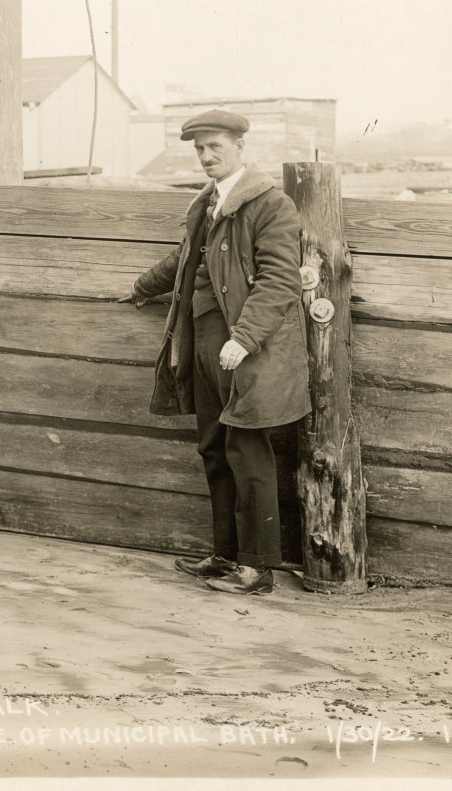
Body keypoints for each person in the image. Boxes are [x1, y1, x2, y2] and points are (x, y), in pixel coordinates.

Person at [120, 110, 310, 596]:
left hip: (245, 349)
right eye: (200, 149)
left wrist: (243, 338)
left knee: (247, 451)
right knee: (213, 448)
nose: (206, 157)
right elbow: (183, 260)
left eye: (216, 147)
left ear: (241, 146)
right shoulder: (208, 203)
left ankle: (257, 567)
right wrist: (142, 287)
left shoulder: (271, 205)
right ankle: (225, 555)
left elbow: (280, 280)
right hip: (204, 342)